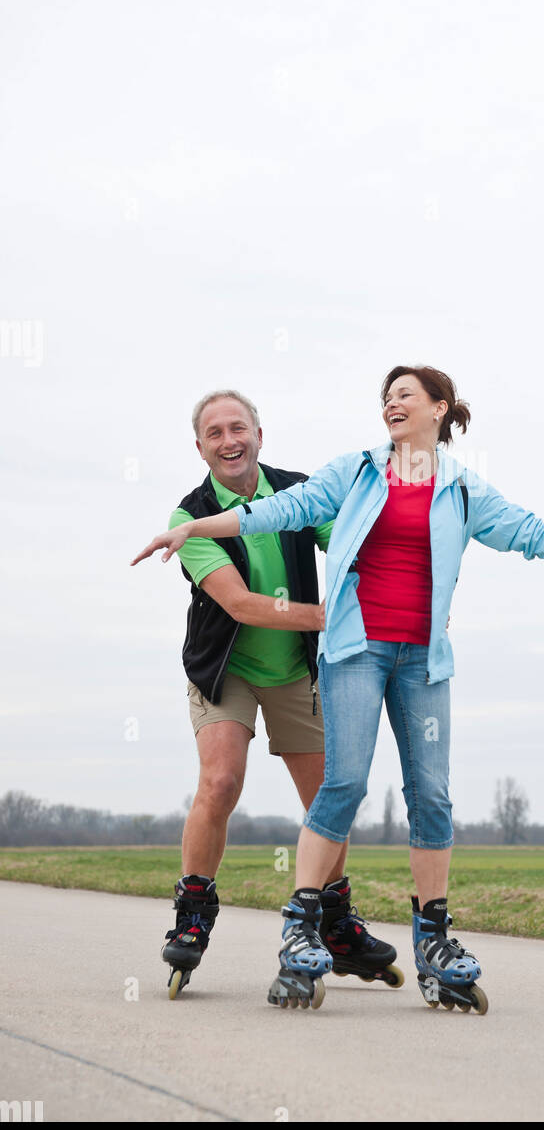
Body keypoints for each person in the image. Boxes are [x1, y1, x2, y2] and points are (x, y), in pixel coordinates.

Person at [134, 366, 544, 1013]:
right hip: (354, 652)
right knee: (344, 783)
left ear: (439, 409)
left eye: (405, 395)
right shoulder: (355, 474)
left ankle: (434, 938)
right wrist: (196, 528)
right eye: (386, 397)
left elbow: (535, 535)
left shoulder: (464, 491)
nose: (391, 404)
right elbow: (277, 512)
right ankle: (303, 925)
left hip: (423, 660)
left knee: (433, 795)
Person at [148, 388, 398, 1000]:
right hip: (224, 667)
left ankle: (335, 925)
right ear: (201, 447)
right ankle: (194, 913)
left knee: (328, 799)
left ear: (260, 434)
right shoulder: (191, 518)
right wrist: (337, 619)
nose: (229, 440)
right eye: (215, 433)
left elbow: (352, 551)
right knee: (221, 782)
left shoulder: (298, 491)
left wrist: (398, 597)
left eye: (239, 427)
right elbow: (240, 603)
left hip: (296, 669)